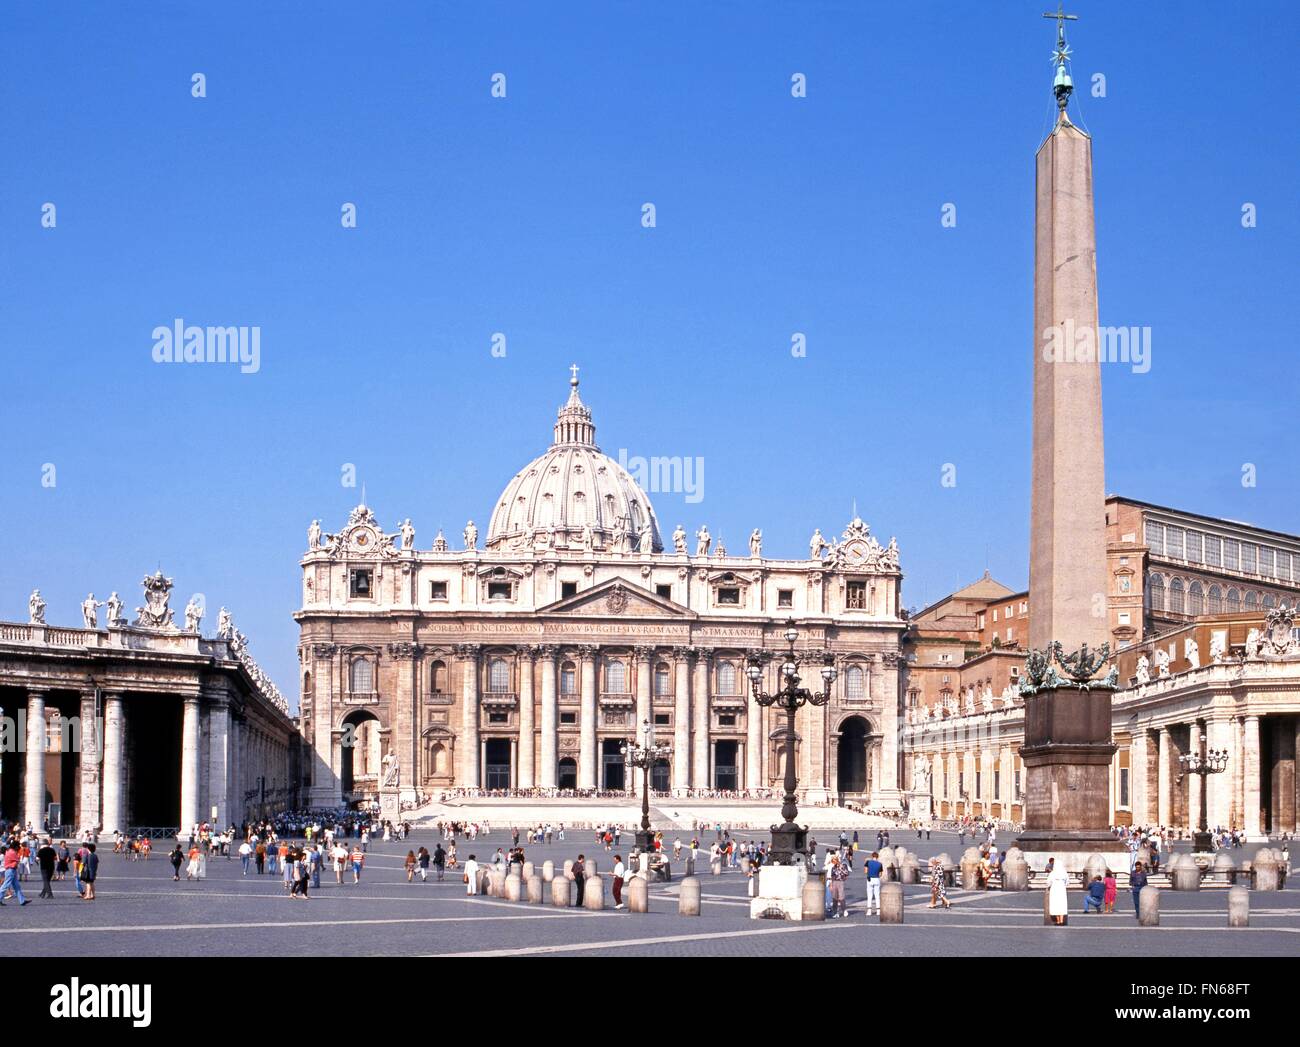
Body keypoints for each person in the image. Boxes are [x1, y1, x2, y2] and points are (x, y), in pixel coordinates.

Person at [1046, 856, 1070, 925]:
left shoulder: (1053, 873)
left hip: (1054, 888)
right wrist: (1064, 884)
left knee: (1055, 904)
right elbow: (1067, 882)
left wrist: (1049, 886)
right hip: (1062, 888)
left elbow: (1048, 882)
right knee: (1062, 904)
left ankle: (1058, 921)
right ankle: (1062, 920)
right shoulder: (1064, 873)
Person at [828, 854, 849, 918]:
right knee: (835, 898)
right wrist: (831, 885)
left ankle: (844, 910)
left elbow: (847, 873)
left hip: (840, 882)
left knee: (841, 897)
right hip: (834, 882)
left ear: (837, 860)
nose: (833, 862)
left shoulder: (843, 865)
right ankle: (835, 912)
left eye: (834, 861)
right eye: (833, 861)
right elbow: (832, 876)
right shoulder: (833, 868)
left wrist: (841, 867)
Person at [864, 851, 883, 916]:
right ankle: (878, 911)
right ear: (877, 857)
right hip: (877, 879)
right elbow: (880, 874)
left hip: (870, 879)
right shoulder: (880, 864)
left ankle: (869, 911)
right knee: (877, 896)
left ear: (872, 856)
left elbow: (865, 871)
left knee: (869, 896)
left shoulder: (868, 862)